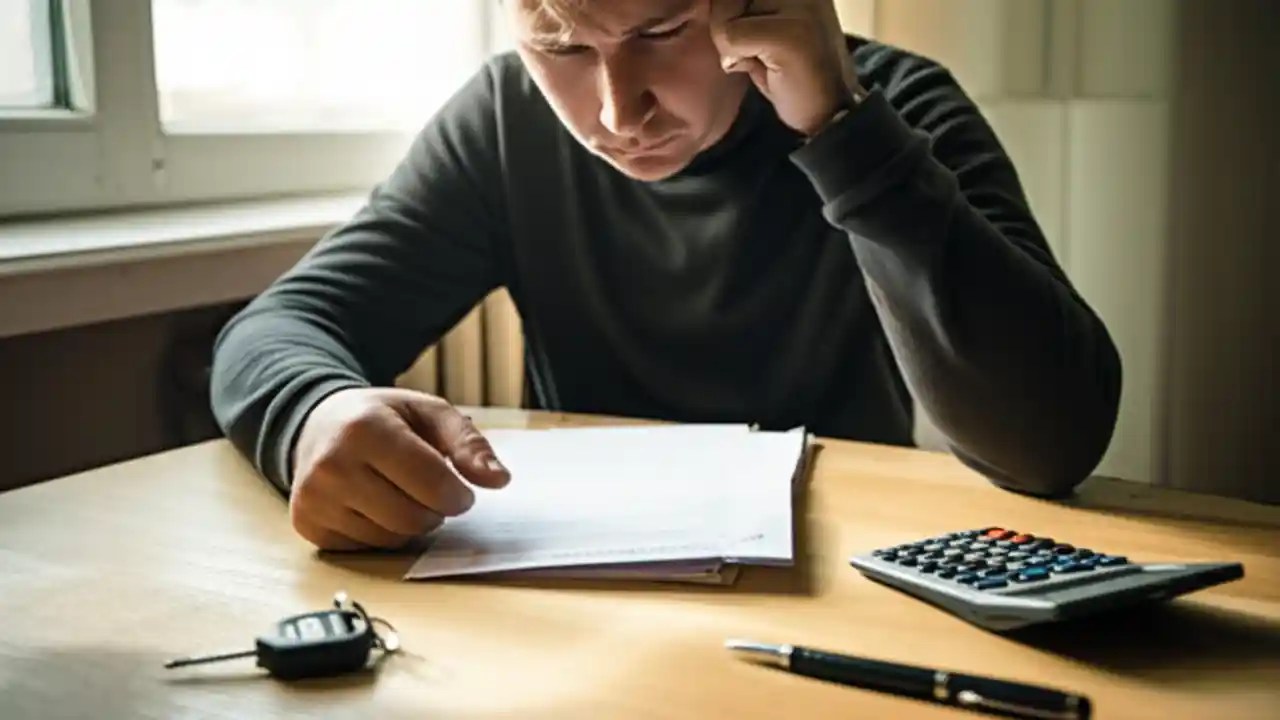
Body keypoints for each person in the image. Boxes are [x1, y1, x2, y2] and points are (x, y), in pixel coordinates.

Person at [210, 0, 1122, 551]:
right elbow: (278, 330)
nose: (619, 110)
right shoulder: (503, 121)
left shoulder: (897, 106)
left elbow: (1051, 443)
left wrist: (840, 130)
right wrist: (313, 413)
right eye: (562, 45)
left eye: (661, 29)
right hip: (580, 591)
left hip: (849, 581)